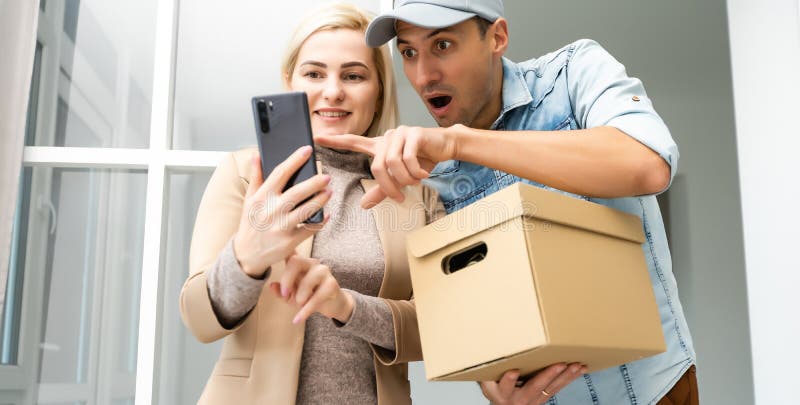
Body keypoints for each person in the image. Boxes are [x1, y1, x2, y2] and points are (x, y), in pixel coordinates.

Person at [315, 1, 699, 404]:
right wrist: (492, 380)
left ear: (497, 37)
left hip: (658, 391)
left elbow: (646, 165)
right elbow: (474, 323)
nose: (424, 75)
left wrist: (459, 141)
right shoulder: (431, 180)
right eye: (409, 52)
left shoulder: (572, 74)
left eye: (442, 45)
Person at [180, 4, 447, 404]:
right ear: (290, 83)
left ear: (378, 93)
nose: (333, 90)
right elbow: (200, 319)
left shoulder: (417, 194)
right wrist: (246, 257)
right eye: (314, 73)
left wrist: (346, 305)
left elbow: (439, 328)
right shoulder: (244, 173)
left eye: (354, 75)